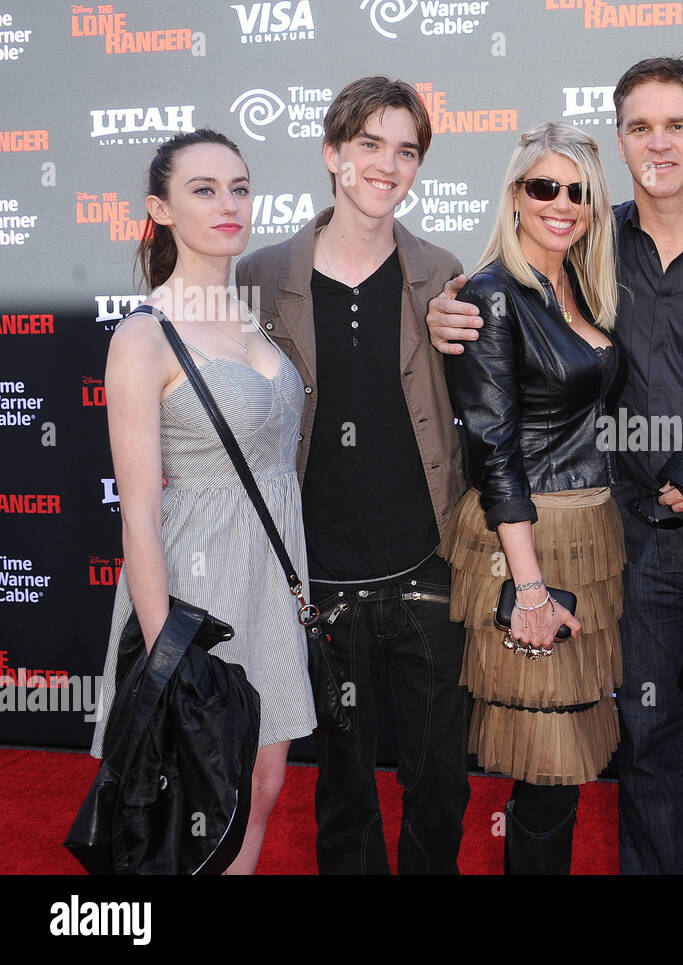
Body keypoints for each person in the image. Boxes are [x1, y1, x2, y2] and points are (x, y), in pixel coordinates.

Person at [429, 57, 683, 875]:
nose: (660, 142)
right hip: (635, 540)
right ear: (620, 140)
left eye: (677, 124)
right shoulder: (587, 245)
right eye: (640, 127)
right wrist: (450, 306)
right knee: (647, 743)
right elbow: (511, 298)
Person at [236, 76, 469, 875]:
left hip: (430, 572)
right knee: (342, 791)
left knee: (440, 784)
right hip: (319, 578)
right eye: (369, 143)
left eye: (406, 150)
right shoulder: (261, 279)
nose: (387, 164)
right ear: (332, 154)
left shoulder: (443, 274)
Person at [91, 128, 316, 874]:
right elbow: (141, 514)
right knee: (200, 796)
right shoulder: (143, 335)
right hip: (197, 594)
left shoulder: (258, 317)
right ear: (160, 208)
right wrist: (168, 657)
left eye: (240, 187)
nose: (229, 204)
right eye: (204, 189)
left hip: (272, 582)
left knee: (262, 784)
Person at [441, 121, 623, 874]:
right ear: (515, 194)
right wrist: (531, 587)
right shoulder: (491, 296)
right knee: (546, 766)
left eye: (578, 191)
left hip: (592, 529)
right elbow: (494, 452)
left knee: (568, 762)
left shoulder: (580, 281)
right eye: (544, 186)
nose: (563, 203)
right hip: (529, 538)